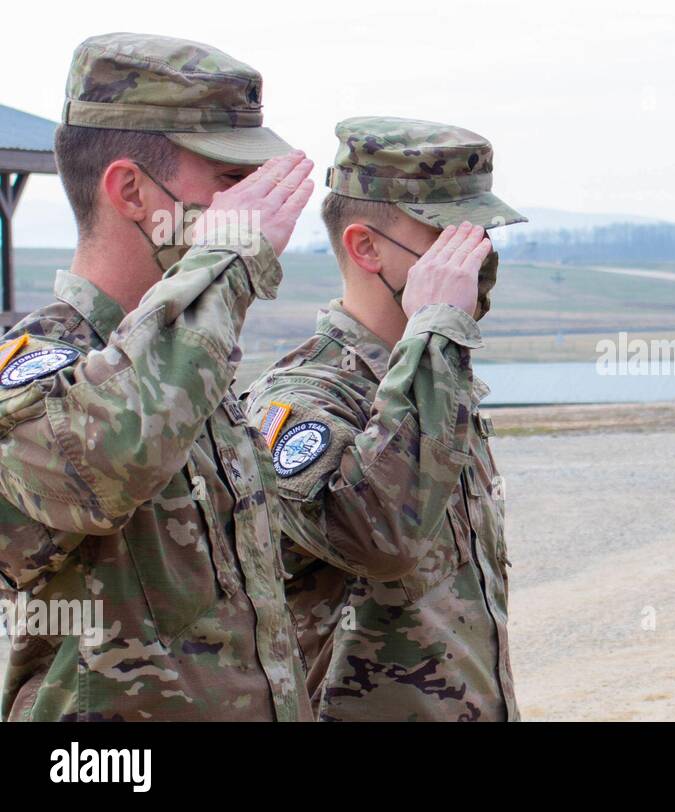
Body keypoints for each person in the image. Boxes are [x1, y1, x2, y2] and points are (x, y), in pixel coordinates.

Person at [0, 33, 314, 721]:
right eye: (232, 188)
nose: (262, 218)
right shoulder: (34, 371)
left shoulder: (196, 371)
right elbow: (105, 461)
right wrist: (229, 261)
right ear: (132, 192)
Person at [243, 117, 523, 721]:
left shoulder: (438, 383)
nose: (471, 261)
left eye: (479, 238)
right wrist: (437, 333)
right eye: (445, 238)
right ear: (365, 247)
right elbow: (379, 539)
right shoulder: (304, 399)